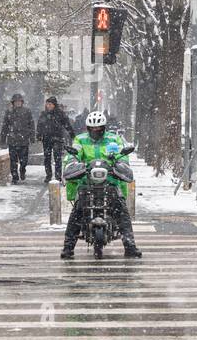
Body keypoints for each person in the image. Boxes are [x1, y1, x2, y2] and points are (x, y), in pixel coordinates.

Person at [61, 110, 142, 259]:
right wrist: (72, 163)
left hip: (111, 180)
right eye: (92, 128)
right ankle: (68, 247)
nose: (95, 131)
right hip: (86, 181)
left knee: (121, 210)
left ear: (104, 127)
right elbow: (74, 154)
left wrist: (121, 164)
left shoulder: (113, 140)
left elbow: (121, 156)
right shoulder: (80, 140)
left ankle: (130, 246)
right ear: (88, 128)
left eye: (98, 128)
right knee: (77, 211)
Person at [0, 92, 36, 183]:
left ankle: (22, 170)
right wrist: (3, 139)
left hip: (24, 140)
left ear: (22, 102)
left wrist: (32, 136)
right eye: (16, 101)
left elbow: (31, 124)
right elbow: (5, 126)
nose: (18, 103)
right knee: (13, 160)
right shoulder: (9, 112)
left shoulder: (27, 111)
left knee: (24, 160)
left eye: (19, 101)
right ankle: (15, 176)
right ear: (13, 102)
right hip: (12, 140)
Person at [36, 95, 74, 183]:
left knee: (57, 158)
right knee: (47, 158)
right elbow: (39, 125)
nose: (48, 106)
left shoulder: (60, 113)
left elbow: (66, 124)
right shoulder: (44, 114)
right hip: (46, 138)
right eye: (47, 104)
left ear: (54, 105)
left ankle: (58, 176)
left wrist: (71, 133)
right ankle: (48, 175)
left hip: (57, 138)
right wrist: (38, 135)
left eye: (50, 104)